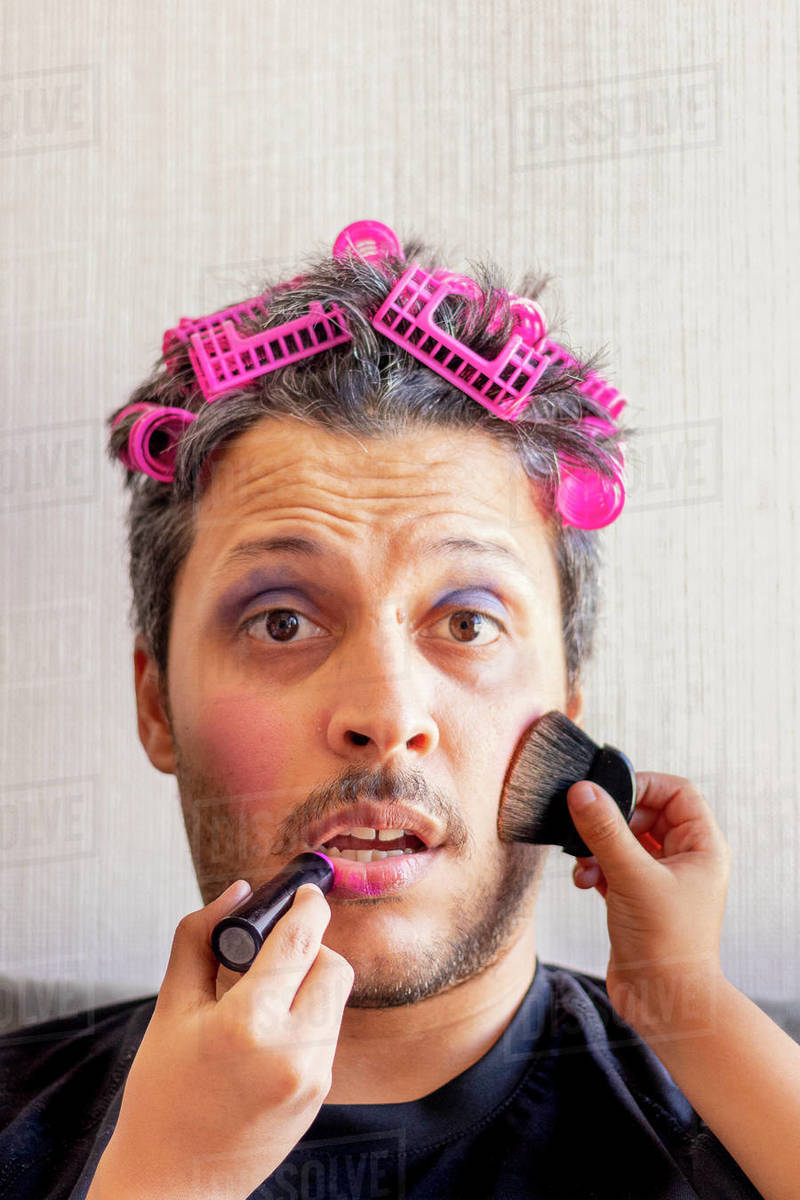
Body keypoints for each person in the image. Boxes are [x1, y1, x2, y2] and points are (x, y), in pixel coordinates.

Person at [0, 221, 797, 1200]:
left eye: (465, 622)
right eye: (282, 620)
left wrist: (692, 1009)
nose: (385, 715)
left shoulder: (749, 1101)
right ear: (156, 703)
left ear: (566, 712)